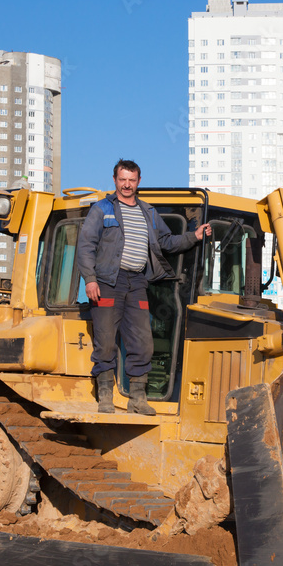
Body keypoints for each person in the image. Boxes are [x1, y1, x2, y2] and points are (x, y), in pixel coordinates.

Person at [77, 159, 211, 414]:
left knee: (143, 343)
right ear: (115, 180)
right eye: (122, 179)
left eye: (132, 180)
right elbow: (86, 246)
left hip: (137, 282)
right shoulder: (101, 209)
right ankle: (105, 396)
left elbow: (166, 242)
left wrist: (193, 236)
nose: (127, 184)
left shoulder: (148, 212)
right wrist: (91, 279)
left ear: (139, 182)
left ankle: (137, 398)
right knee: (105, 341)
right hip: (107, 283)